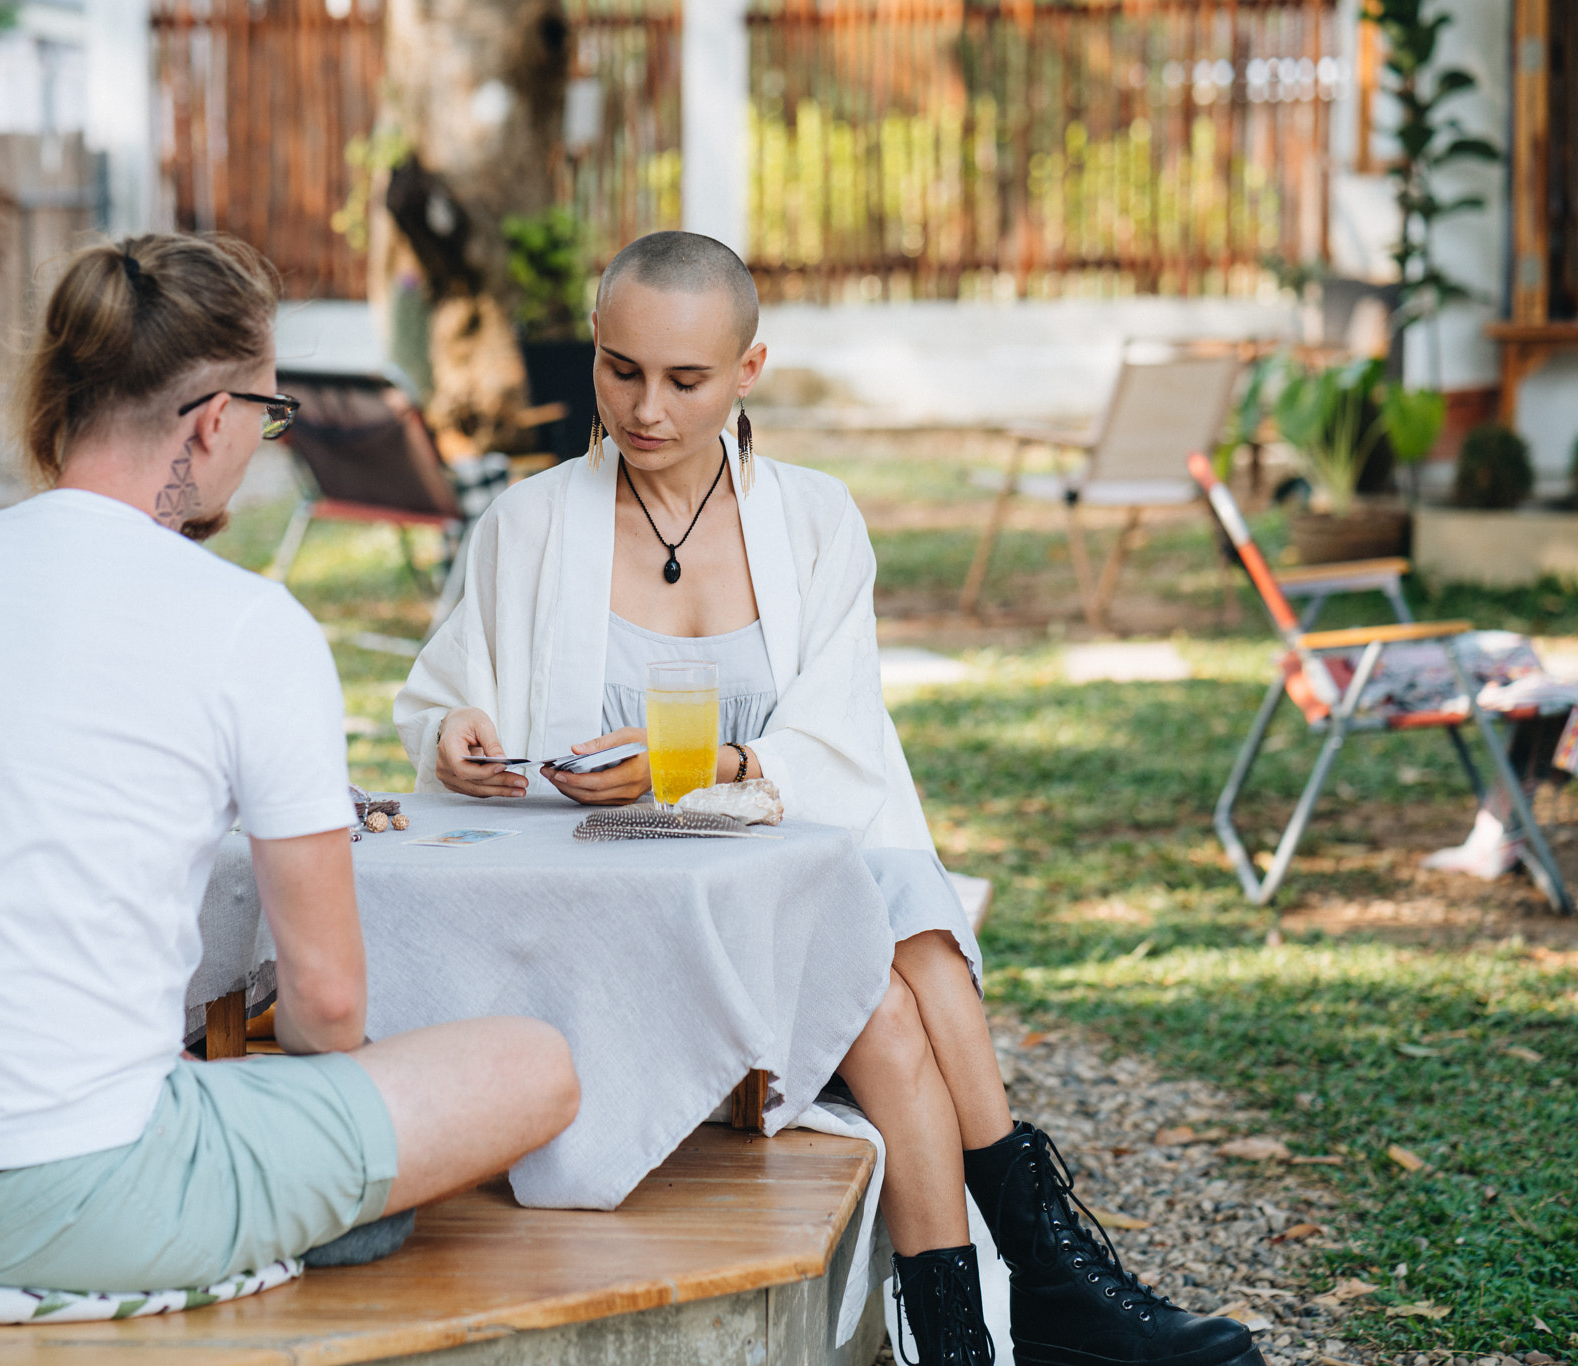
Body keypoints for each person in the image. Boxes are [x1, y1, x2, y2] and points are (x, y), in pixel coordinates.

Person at [395, 231, 1259, 1366]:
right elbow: (447, 706)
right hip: (620, 907)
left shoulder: (811, 522)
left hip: (777, 886)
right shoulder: (529, 524)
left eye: (685, 379)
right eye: (619, 370)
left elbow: (843, 744)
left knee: (882, 949)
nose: (644, 407)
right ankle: (1047, 1275)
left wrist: (716, 767)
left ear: (748, 371)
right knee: (888, 965)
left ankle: (971, 1334)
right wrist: (456, 737)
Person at [0, 233, 579, 1296]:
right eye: (266, 413)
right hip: (65, 1196)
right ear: (212, 418)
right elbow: (329, 1005)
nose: (258, 443)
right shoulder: (247, 623)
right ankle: (304, 1208)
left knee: (225, 1090)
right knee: (533, 1064)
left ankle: (282, 1187)